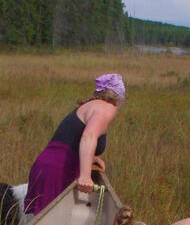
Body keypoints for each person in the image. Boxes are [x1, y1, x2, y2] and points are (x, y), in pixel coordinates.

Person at [24, 73, 126, 216]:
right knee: (50, 224)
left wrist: (90, 158)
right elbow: (88, 137)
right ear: (119, 100)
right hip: (57, 171)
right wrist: (85, 175)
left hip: (48, 166)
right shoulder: (107, 108)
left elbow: (70, 140)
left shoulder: (91, 105)